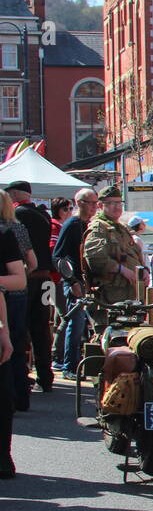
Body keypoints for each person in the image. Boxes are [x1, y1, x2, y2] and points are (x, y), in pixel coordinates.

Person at [8, 181, 54, 394]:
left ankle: (22, 376)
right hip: (46, 280)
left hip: (28, 278)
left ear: (15, 194)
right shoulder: (44, 215)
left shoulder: (17, 216)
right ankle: (46, 377)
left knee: (21, 327)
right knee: (43, 327)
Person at [52, 188, 97, 379]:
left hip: (87, 281)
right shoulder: (72, 224)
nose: (95, 207)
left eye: (96, 203)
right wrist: (71, 281)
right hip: (75, 281)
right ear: (80, 203)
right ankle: (69, 367)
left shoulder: (88, 224)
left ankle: (75, 364)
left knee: (83, 325)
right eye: (91, 203)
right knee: (75, 324)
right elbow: (58, 256)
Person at [0, 191, 35, 410]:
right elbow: (32, 262)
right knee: (16, 346)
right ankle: (19, 397)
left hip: (8, 296)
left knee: (11, 346)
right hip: (16, 296)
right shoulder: (17, 228)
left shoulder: (8, 232)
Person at [83, 185, 145, 305]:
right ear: (100, 206)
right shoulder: (99, 227)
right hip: (111, 294)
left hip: (130, 292)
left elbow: (135, 252)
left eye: (119, 202)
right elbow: (95, 258)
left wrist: (144, 270)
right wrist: (122, 270)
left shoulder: (122, 228)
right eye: (111, 203)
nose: (117, 207)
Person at [0, 223, 22, 477]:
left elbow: (18, 279)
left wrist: (4, 332)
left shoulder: (4, 234)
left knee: (4, 398)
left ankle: (3, 456)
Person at [48, 197, 72, 372]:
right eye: (68, 208)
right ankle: (57, 356)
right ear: (61, 210)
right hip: (54, 280)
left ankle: (56, 354)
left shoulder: (58, 227)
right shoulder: (55, 227)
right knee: (66, 316)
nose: (71, 211)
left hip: (56, 280)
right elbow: (54, 253)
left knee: (59, 318)